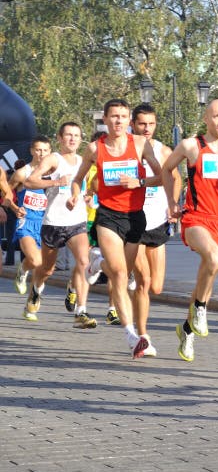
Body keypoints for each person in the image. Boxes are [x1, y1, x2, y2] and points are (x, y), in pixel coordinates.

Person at [67, 98, 162, 358]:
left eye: (122, 116)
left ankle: (97, 264)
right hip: (108, 216)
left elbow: (161, 176)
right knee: (120, 274)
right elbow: (78, 179)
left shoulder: (140, 144)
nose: (118, 121)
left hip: (135, 217)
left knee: (123, 272)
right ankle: (132, 336)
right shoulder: (94, 148)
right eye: (114, 116)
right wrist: (74, 195)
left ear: (128, 120)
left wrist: (139, 182)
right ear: (105, 119)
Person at [162, 99, 218, 362]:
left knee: (209, 275)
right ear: (206, 118)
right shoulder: (191, 146)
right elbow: (167, 169)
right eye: (216, 116)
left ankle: (187, 330)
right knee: (212, 259)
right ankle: (201, 308)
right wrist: (172, 202)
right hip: (196, 217)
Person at [25, 122, 96, 329]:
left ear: (81, 139)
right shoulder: (53, 159)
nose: (72, 139)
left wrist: (88, 197)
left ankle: (81, 312)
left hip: (77, 221)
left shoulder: (83, 161)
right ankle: (36, 289)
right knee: (47, 269)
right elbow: (30, 181)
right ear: (59, 138)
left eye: (76, 135)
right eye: (68, 135)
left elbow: (86, 187)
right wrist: (56, 182)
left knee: (84, 261)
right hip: (54, 222)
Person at [130, 104, 180, 356]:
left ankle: (121, 274)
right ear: (133, 124)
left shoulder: (163, 150)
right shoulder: (126, 150)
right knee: (144, 281)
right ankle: (143, 336)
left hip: (158, 222)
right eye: (142, 123)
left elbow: (176, 178)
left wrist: (173, 203)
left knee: (157, 287)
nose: (147, 128)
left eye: (151, 123)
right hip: (133, 221)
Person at [6, 136, 51, 320]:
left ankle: (31, 304)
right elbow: (7, 193)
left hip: (46, 223)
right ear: (32, 151)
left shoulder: (53, 173)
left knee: (45, 269)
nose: (42, 154)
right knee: (35, 260)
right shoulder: (22, 173)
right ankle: (23, 271)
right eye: (38, 150)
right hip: (27, 222)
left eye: (45, 150)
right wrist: (15, 208)